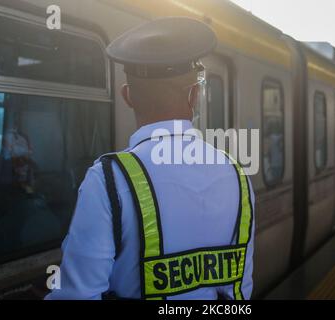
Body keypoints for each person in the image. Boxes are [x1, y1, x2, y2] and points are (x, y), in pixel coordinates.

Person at [45, 16, 255, 300]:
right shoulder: (237, 176)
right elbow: (240, 290)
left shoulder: (108, 180)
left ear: (127, 96)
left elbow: (77, 296)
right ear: (194, 95)